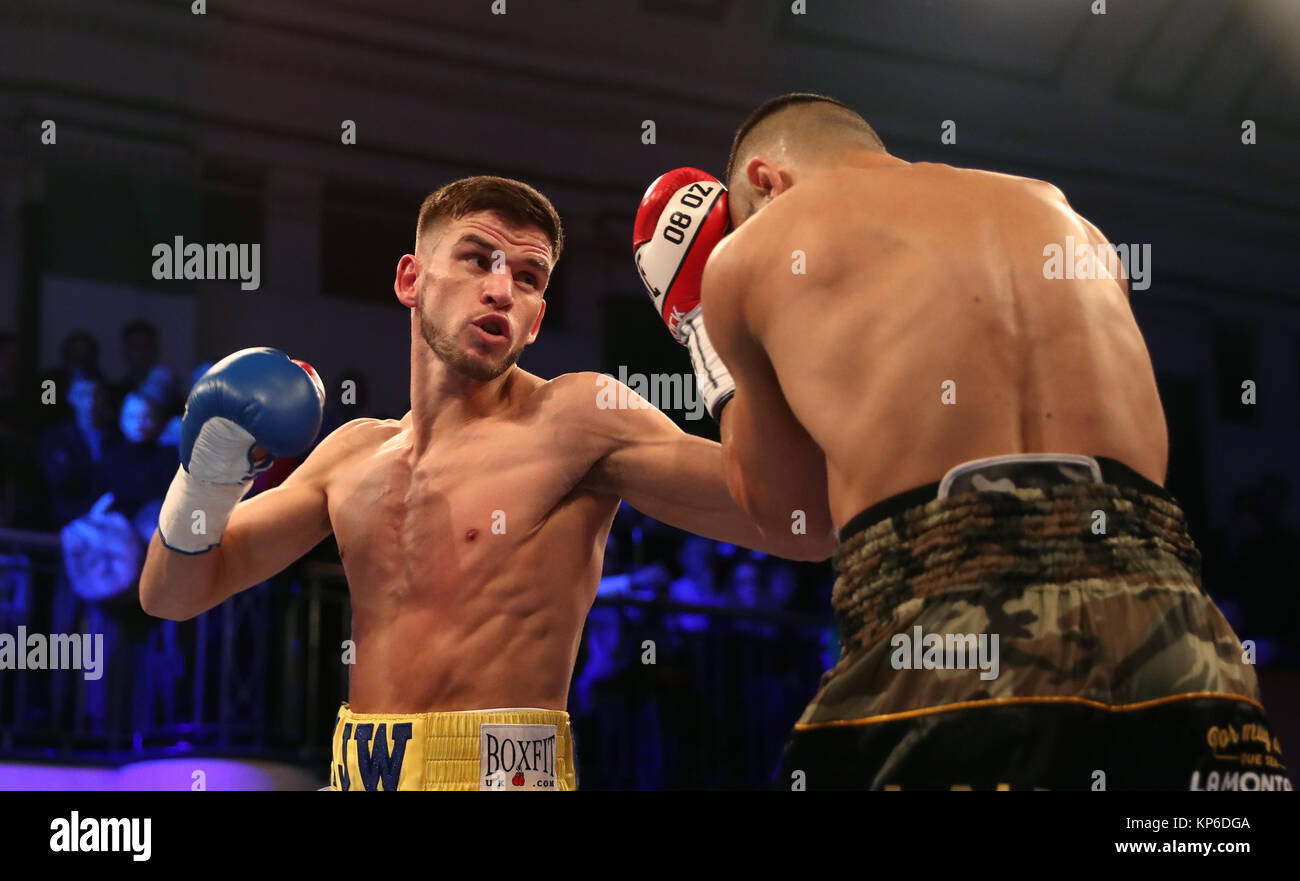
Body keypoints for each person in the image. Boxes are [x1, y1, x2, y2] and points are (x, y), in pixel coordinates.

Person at [631, 92, 1289, 790]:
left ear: (765, 182)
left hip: (950, 644)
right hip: (1181, 641)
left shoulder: (752, 251)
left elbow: (793, 519)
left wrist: (701, 321)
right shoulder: (1069, 220)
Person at [140, 175, 832, 791]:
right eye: (477, 259)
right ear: (411, 279)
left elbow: (801, 524)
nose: (503, 287)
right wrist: (210, 469)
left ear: (535, 319)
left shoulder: (578, 420)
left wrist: (707, 331)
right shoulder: (351, 455)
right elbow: (173, 592)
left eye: (530, 277)